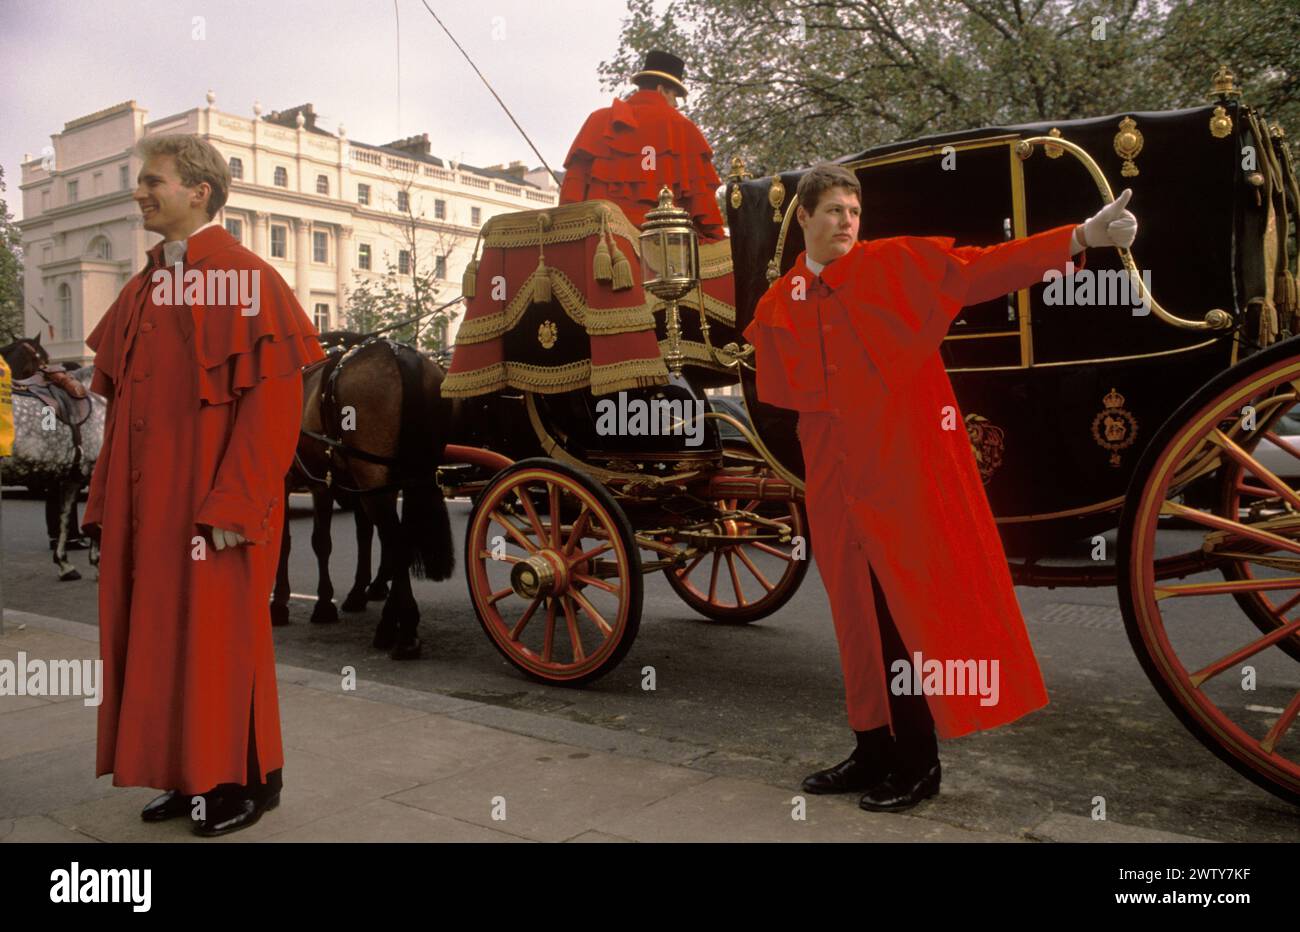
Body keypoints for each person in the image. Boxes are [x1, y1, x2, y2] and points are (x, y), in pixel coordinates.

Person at [742, 162, 1136, 812]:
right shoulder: (778, 301)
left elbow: (984, 268)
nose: (846, 221)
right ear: (804, 218)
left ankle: (918, 762)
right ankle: (871, 748)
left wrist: (1078, 238)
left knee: (907, 612)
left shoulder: (894, 265)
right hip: (834, 480)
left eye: (853, 211)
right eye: (834, 210)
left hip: (905, 467)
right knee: (854, 613)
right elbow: (784, 399)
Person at [80, 134, 325, 836]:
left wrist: (236, 503)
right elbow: (120, 407)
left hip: (214, 509)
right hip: (144, 511)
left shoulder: (249, 279)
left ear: (201, 192)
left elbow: (274, 409)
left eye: (153, 180)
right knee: (156, 641)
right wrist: (103, 501)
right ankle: (189, 779)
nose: (140, 192)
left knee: (221, 643)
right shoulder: (145, 285)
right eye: (141, 180)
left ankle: (248, 782)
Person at [559, 49, 726, 240]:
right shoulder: (684, 129)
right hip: (666, 251)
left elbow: (570, 196)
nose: (676, 104)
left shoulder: (598, 121)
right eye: (674, 96)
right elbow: (704, 208)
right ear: (661, 90)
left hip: (598, 245)